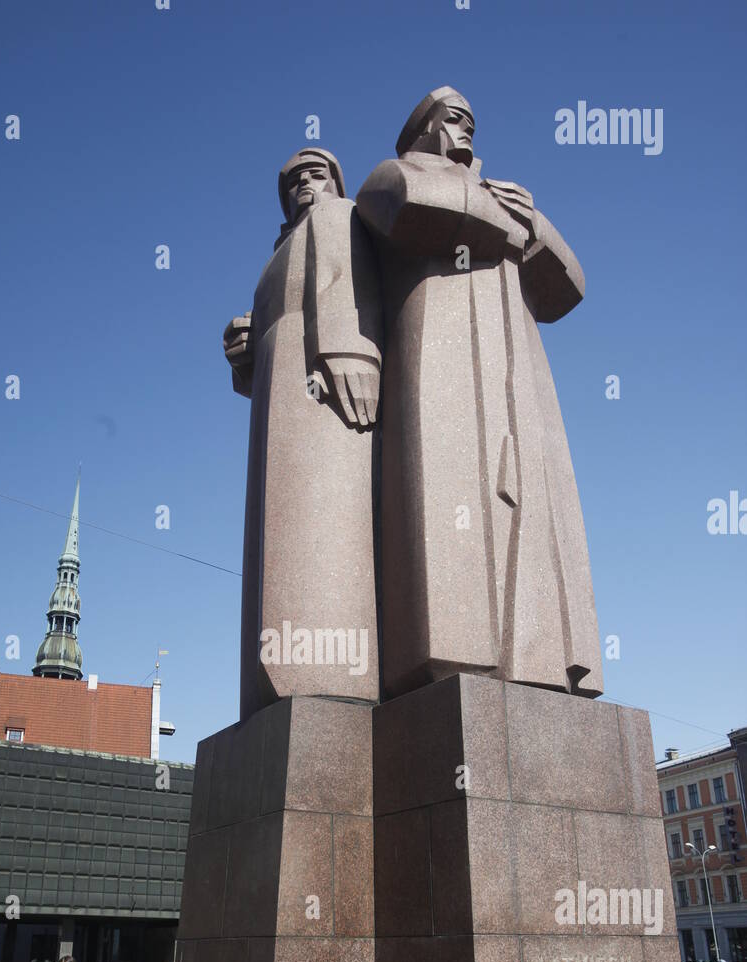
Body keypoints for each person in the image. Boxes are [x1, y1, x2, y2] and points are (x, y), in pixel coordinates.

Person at [355, 87, 603, 701]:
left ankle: (540, 663)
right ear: (426, 127)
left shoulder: (510, 202)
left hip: (517, 367)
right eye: (456, 119)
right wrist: (507, 219)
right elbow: (413, 205)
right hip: (438, 359)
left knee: (529, 502)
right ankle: (453, 657)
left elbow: (569, 289)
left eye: (471, 122)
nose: (467, 132)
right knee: (447, 496)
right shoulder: (390, 176)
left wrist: (536, 221)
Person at [224, 147, 382, 721]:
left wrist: (349, 352)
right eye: (291, 181)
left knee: (323, 522)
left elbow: (347, 281)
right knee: (275, 532)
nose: (303, 187)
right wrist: (243, 355)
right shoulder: (274, 257)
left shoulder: (338, 217)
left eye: (315, 174)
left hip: (322, 376)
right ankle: (278, 678)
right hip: (277, 388)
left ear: (335, 180)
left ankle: (325, 669)